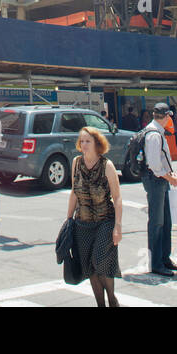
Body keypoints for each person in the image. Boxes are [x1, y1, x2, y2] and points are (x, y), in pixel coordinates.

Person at [66, 125, 122, 306]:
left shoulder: (107, 165)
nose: (84, 145)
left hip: (104, 221)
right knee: (89, 267)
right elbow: (74, 192)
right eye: (81, 141)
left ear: (97, 143)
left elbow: (117, 197)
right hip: (82, 223)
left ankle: (112, 299)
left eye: (88, 141)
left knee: (100, 262)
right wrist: (68, 221)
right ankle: (100, 304)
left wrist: (118, 227)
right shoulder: (76, 163)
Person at [141, 103, 177, 277]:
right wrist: (170, 177)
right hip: (155, 181)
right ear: (166, 117)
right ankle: (157, 263)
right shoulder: (154, 135)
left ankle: (165, 258)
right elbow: (154, 165)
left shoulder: (156, 132)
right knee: (157, 223)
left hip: (160, 180)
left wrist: (170, 174)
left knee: (165, 221)